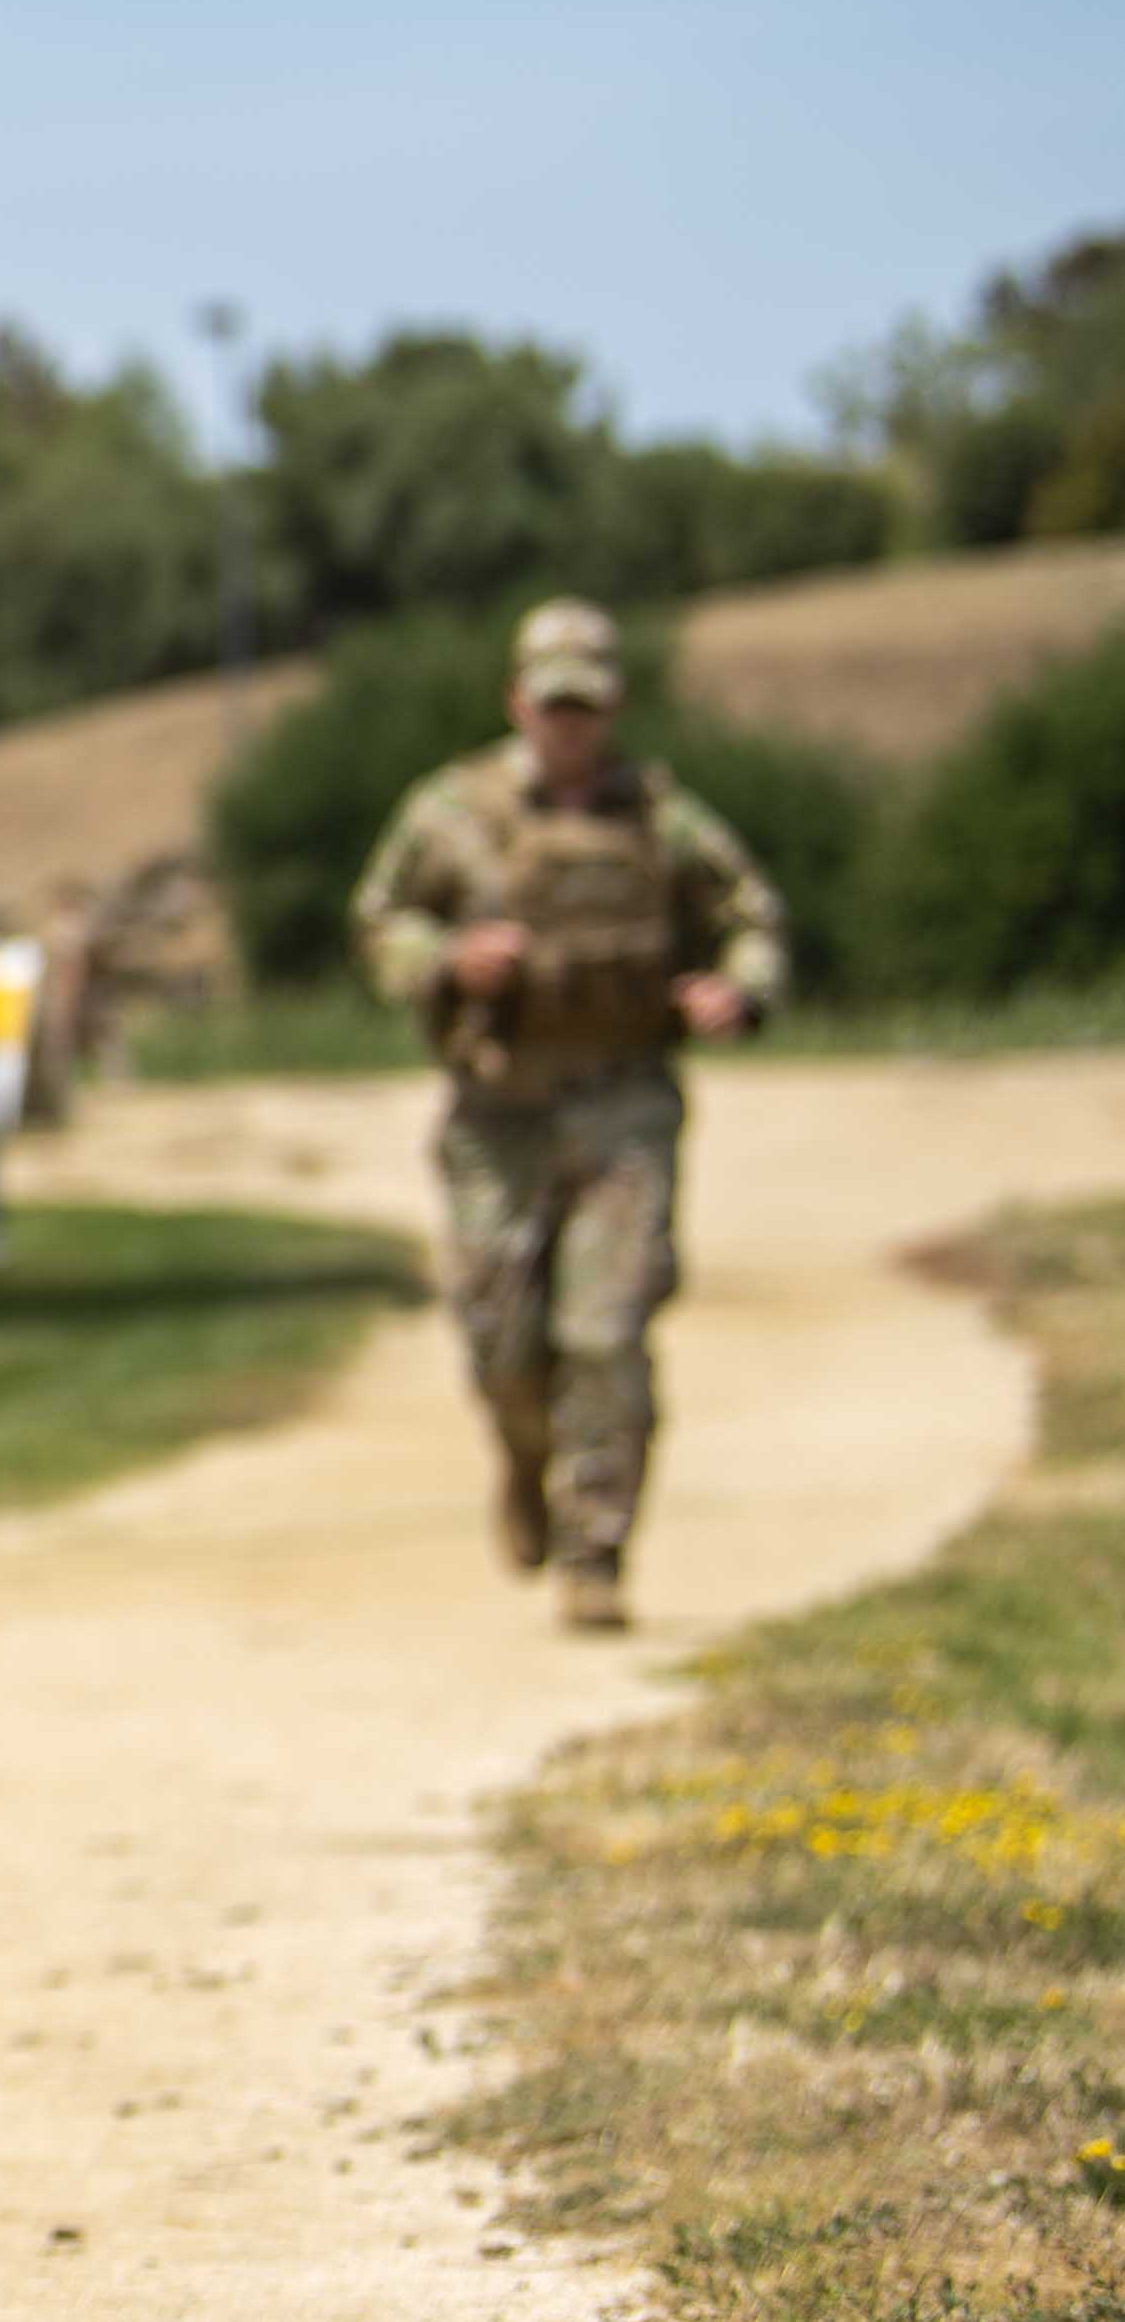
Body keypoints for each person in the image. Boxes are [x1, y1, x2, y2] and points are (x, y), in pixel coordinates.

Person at [349, 597, 783, 1633]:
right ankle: (525, 1454)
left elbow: (748, 916)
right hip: (498, 1112)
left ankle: (596, 1548)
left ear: (615, 706)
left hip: (624, 1104)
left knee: (605, 1330)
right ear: (518, 703)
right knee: (501, 1337)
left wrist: (738, 988)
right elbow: (380, 919)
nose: (571, 724)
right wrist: (446, 960)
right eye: (553, 705)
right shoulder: (452, 811)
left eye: (587, 705)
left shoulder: (661, 820)